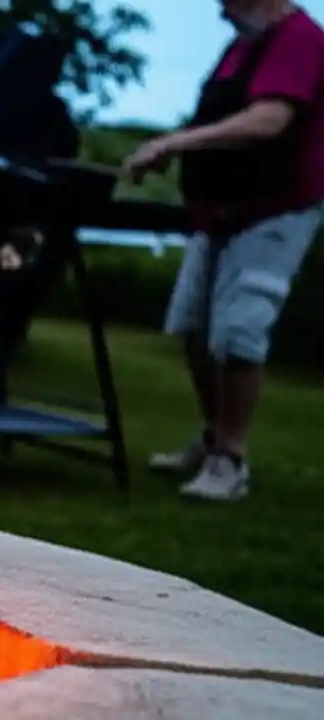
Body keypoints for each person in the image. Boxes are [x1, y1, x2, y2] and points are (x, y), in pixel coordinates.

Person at [122, 0, 324, 501]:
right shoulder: (239, 47)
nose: (219, 10)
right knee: (192, 328)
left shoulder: (300, 38)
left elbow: (269, 120)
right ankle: (212, 439)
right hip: (217, 214)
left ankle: (230, 462)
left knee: (239, 333)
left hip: (275, 213)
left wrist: (174, 144)